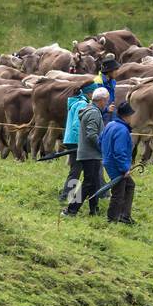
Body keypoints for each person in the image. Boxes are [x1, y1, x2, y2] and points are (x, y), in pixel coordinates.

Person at [63, 87, 108, 217]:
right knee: (88, 183)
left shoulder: (90, 110)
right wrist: (102, 146)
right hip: (90, 154)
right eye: (106, 101)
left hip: (89, 153)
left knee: (93, 183)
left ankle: (94, 209)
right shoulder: (94, 113)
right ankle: (71, 210)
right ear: (102, 100)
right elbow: (91, 134)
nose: (106, 103)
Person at [59, 81, 97, 202]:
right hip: (76, 141)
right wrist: (82, 141)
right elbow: (77, 125)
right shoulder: (82, 104)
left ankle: (70, 195)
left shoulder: (78, 101)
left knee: (77, 169)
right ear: (89, 93)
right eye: (94, 92)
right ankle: (67, 196)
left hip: (72, 140)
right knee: (76, 170)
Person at [100, 102, 136, 225]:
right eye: (131, 115)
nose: (132, 118)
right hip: (116, 165)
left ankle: (124, 216)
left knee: (129, 185)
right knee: (118, 192)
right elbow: (119, 152)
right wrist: (125, 168)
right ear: (126, 116)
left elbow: (100, 140)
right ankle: (112, 219)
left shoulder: (110, 124)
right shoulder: (122, 130)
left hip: (108, 161)